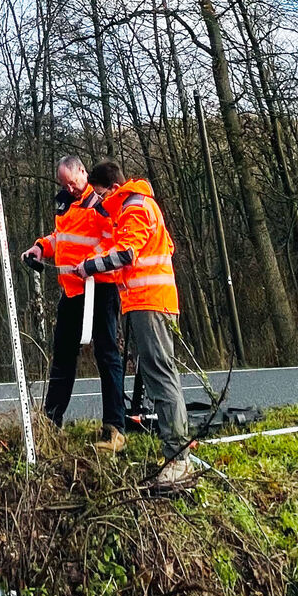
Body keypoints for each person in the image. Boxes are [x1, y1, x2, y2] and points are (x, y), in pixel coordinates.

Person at [63, 159, 191, 483]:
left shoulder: (135, 206)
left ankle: (178, 458)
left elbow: (127, 253)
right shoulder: (131, 207)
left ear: (113, 188)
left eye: (103, 196)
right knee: (159, 374)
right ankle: (176, 451)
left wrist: (91, 266)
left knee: (161, 375)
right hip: (145, 302)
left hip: (151, 302)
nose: (102, 204)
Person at [21, 153, 126, 440]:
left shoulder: (102, 203)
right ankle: (51, 421)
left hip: (100, 287)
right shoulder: (65, 205)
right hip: (71, 291)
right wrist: (40, 248)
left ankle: (115, 426)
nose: (68, 188)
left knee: (107, 356)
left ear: (82, 172)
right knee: (63, 357)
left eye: (71, 182)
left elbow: (113, 238)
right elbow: (60, 238)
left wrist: (90, 262)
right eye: (63, 184)